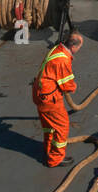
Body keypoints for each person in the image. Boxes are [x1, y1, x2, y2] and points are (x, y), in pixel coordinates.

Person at [32, 30, 82, 167]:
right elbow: (68, 86)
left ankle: (48, 149)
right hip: (50, 98)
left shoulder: (57, 48)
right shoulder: (63, 60)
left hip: (39, 92)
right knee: (62, 126)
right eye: (79, 47)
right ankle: (55, 159)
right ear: (73, 47)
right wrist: (73, 87)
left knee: (49, 126)